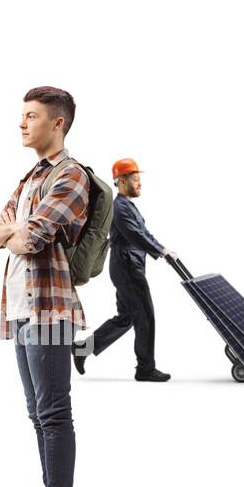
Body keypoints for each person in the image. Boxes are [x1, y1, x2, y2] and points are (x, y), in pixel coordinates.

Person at [0, 87, 90, 487]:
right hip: (22, 309)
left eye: (31, 116)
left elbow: (35, 237)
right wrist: (9, 232)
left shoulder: (72, 176)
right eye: (21, 116)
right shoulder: (30, 180)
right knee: (37, 414)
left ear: (57, 123)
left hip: (49, 309)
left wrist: (13, 232)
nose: (22, 124)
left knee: (53, 412)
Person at [72, 158, 174, 381]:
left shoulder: (128, 205)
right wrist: (161, 251)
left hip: (129, 264)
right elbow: (134, 235)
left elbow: (145, 233)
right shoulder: (118, 207)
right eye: (135, 179)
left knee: (126, 317)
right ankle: (145, 369)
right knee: (145, 317)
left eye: (139, 179)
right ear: (121, 181)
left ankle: (82, 348)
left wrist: (162, 249)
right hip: (126, 265)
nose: (140, 184)